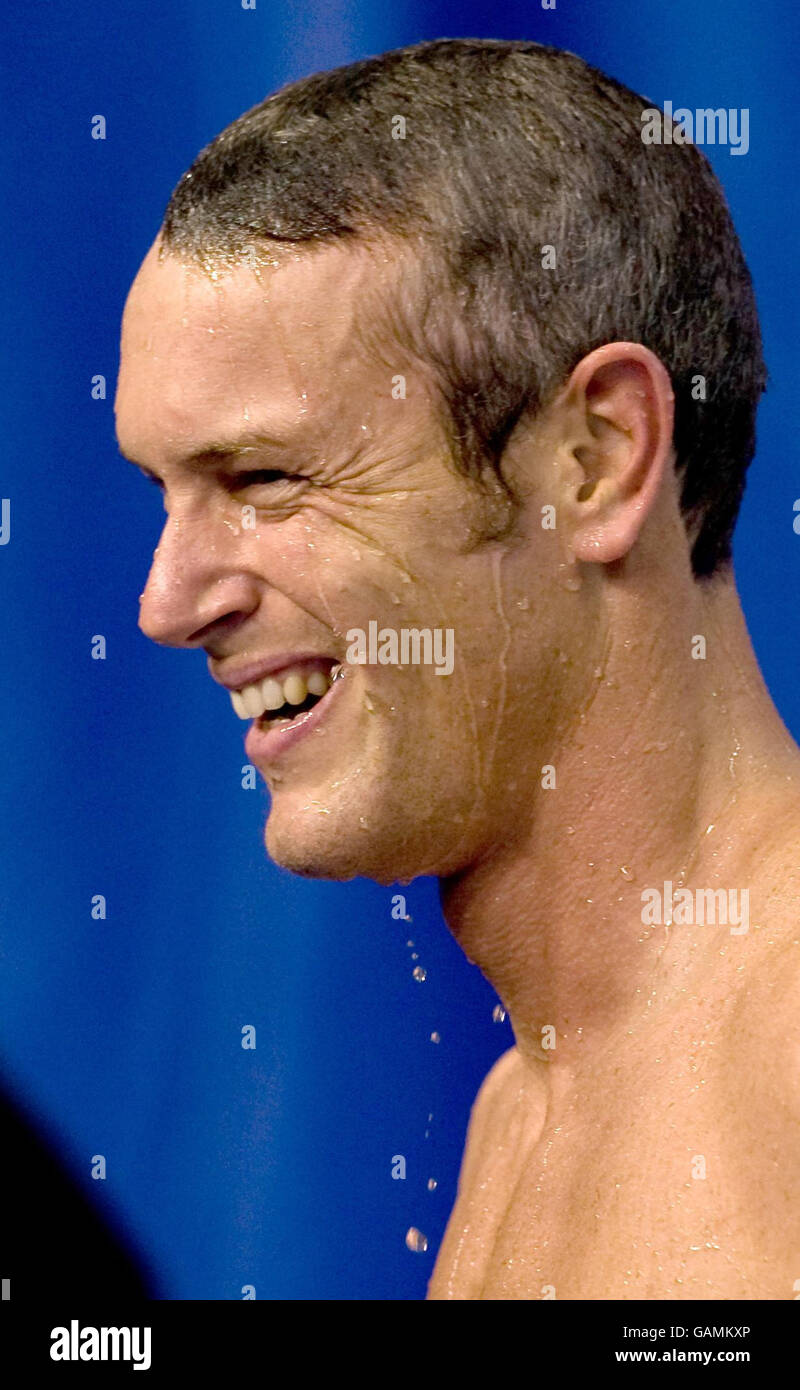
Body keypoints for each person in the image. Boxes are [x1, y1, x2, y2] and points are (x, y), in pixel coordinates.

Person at [114, 38, 800, 1299]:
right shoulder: (520, 1110)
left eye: (263, 478)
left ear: (594, 458)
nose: (165, 604)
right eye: (162, 493)